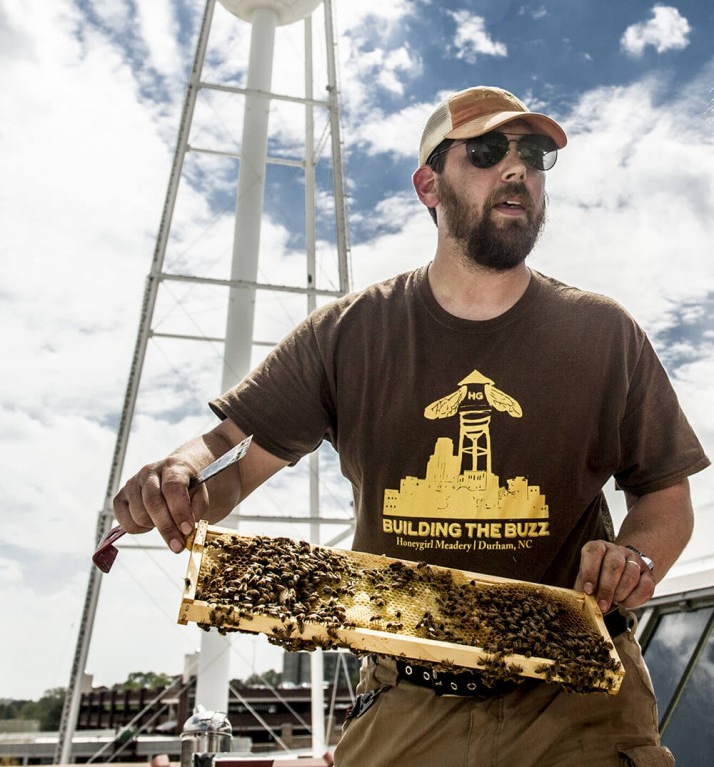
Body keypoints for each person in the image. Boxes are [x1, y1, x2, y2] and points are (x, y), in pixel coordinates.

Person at [114, 86, 709, 766]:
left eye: (535, 154)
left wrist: (635, 559)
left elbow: (665, 495)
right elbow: (230, 456)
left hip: (579, 704)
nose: (517, 169)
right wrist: (179, 474)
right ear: (429, 184)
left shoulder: (605, 334)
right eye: (487, 151)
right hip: (407, 703)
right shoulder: (346, 335)